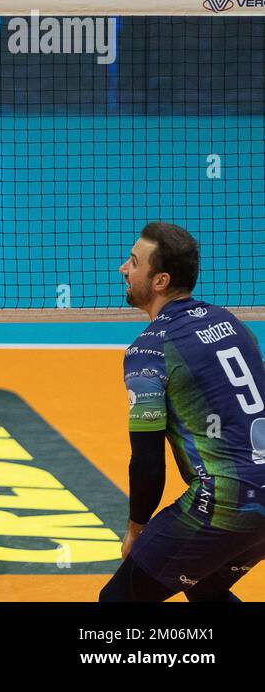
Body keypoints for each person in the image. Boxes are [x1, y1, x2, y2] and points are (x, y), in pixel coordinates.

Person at [100, 222, 265, 602]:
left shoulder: (148, 352)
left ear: (159, 281)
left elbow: (147, 462)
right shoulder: (235, 325)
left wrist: (136, 530)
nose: (123, 269)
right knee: (204, 586)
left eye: (133, 262)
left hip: (223, 503)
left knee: (117, 600)